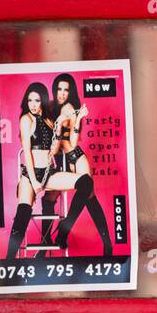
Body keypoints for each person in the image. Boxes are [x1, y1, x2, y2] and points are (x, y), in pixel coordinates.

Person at [47, 73, 114, 256]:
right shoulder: (55, 107)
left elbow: (73, 142)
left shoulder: (68, 108)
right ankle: (106, 244)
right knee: (84, 198)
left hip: (75, 157)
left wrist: (78, 119)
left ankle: (65, 230)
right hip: (62, 160)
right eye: (59, 89)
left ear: (71, 92)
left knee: (89, 195)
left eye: (66, 90)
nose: (62, 93)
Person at [5, 83, 57, 260]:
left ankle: (45, 244)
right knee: (24, 210)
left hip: (50, 171)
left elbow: (58, 144)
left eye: (36, 100)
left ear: (43, 100)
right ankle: (9, 258)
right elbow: (26, 151)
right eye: (29, 100)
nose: (33, 104)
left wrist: (53, 152)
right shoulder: (26, 119)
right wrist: (34, 181)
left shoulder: (50, 120)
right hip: (31, 172)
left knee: (50, 201)